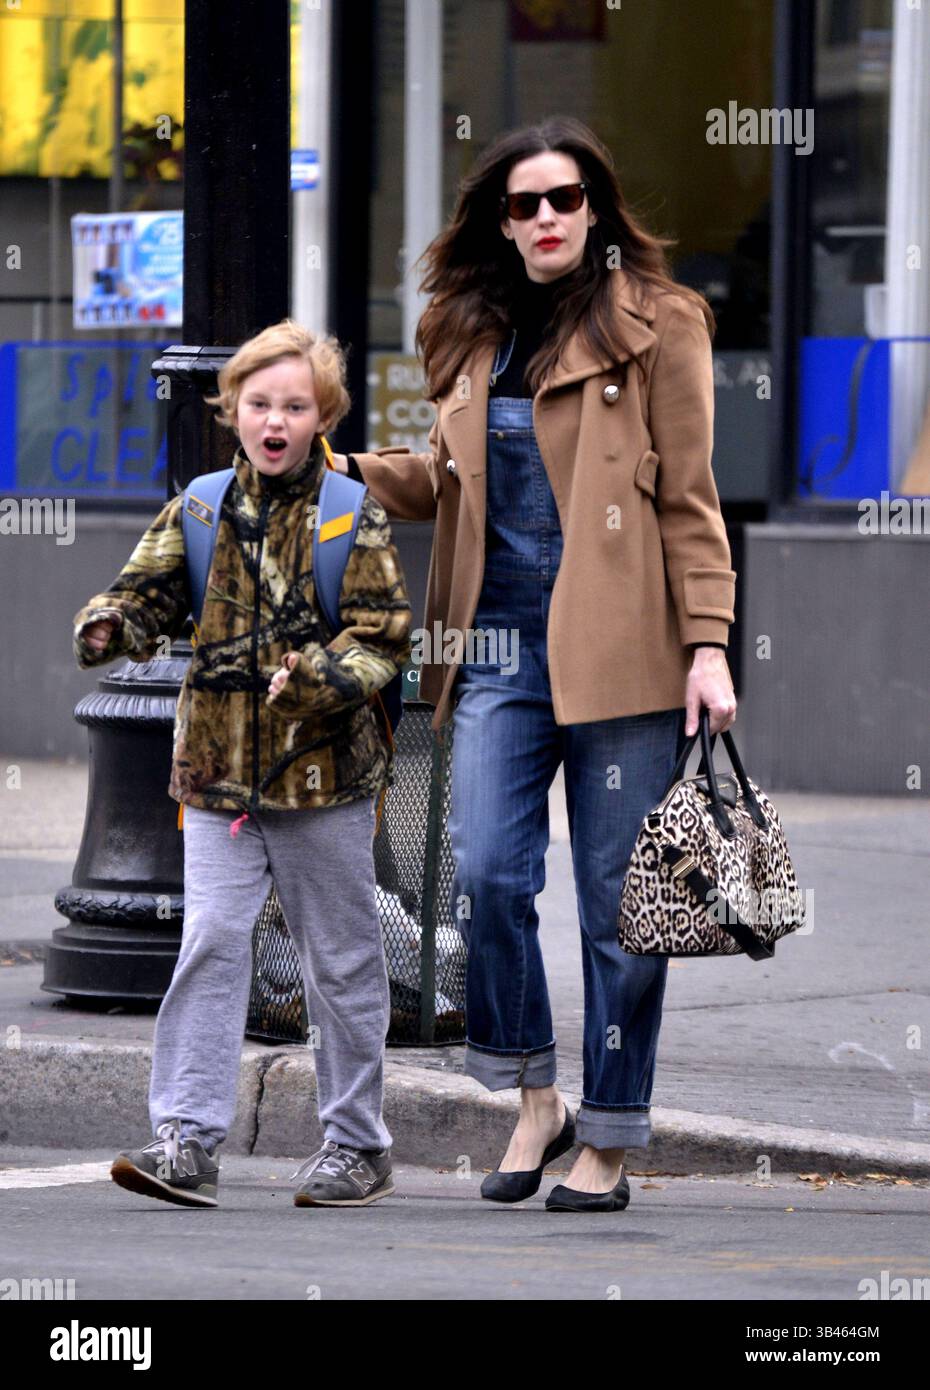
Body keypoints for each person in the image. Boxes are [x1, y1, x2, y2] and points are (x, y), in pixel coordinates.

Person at [331, 117, 737, 1213]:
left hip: (624, 659)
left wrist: (708, 644)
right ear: (500, 223)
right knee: (489, 876)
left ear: (596, 209)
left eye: (565, 199)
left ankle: (608, 1133)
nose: (547, 218)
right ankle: (531, 1091)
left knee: (618, 904)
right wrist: (340, 473)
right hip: (498, 650)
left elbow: (692, 503)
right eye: (525, 205)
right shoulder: (463, 329)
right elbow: (443, 477)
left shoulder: (663, 324)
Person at [71, 319, 412, 1209]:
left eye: (294, 406)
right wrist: (114, 623)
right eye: (259, 403)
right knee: (212, 944)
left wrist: (315, 681)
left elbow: (384, 639)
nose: (274, 419)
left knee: (338, 959)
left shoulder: (350, 512)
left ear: (321, 414)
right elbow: (148, 591)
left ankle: (357, 1146)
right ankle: (186, 1140)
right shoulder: (199, 506)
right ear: (232, 412)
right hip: (215, 776)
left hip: (325, 780)